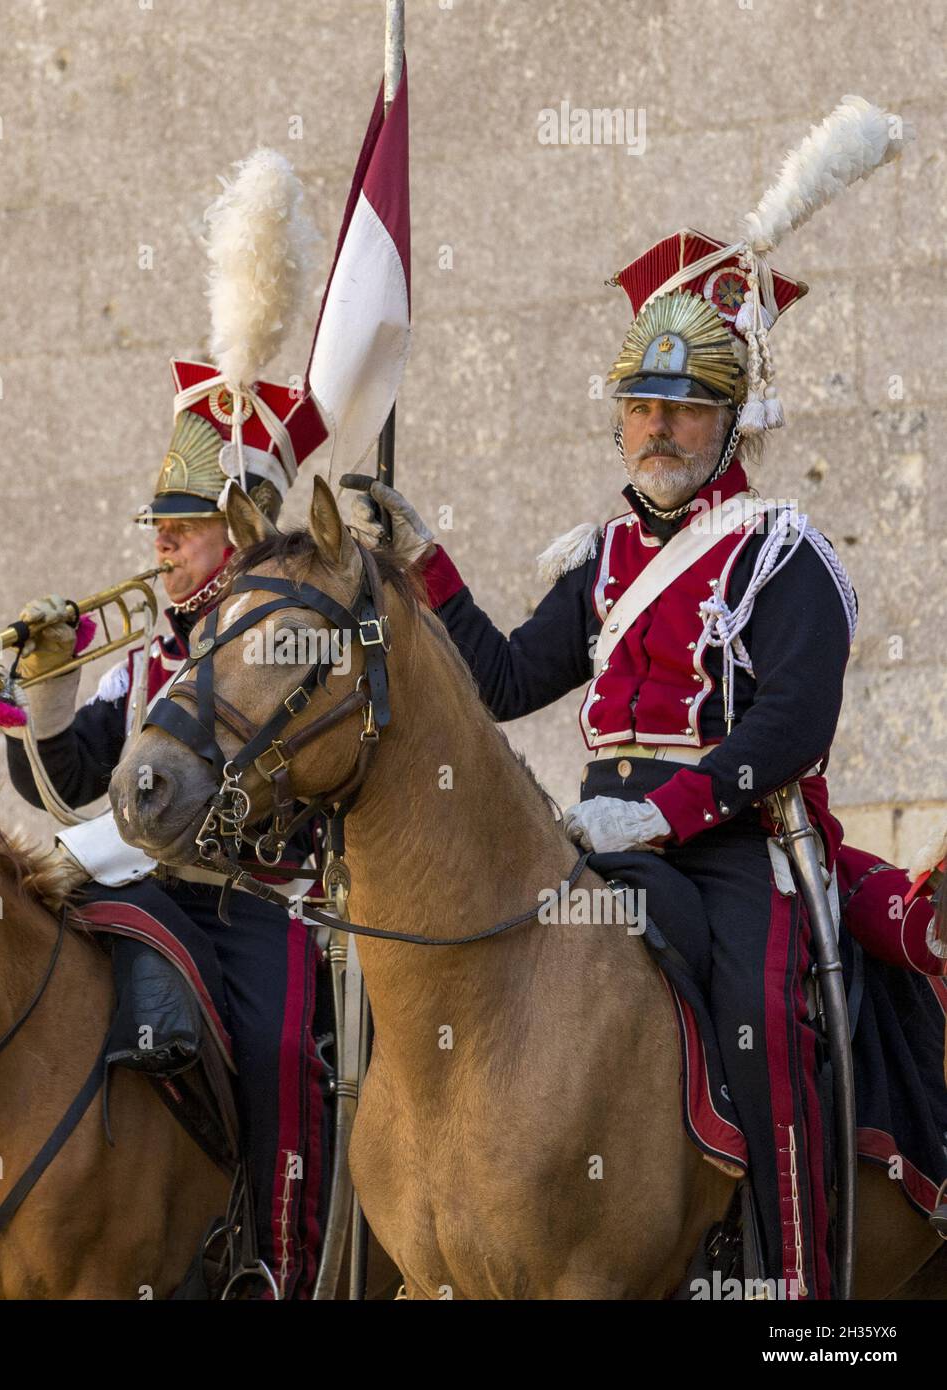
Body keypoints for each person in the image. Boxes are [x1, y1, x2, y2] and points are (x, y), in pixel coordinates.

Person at [359, 99, 924, 1299]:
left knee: (762, 1023)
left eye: (680, 407)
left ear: (732, 419)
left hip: (739, 847)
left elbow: (789, 731)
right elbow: (507, 679)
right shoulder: (604, 558)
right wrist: (428, 566)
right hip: (595, 837)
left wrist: (661, 813)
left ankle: (790, 1279)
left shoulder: (783, 550)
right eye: (637, 404)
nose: (653, 427)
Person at [0, 149, 332, 1297]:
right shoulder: (152, 645)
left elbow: (227, 788)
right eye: (160, 524)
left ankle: (281, 1256)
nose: (160, 546)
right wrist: (47, 690)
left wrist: (90, 846)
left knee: (279, 1048)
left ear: (238, 527)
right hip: (149, 891)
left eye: (181, 527)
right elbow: (72, 779)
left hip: (263, 897)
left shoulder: (278, 639)